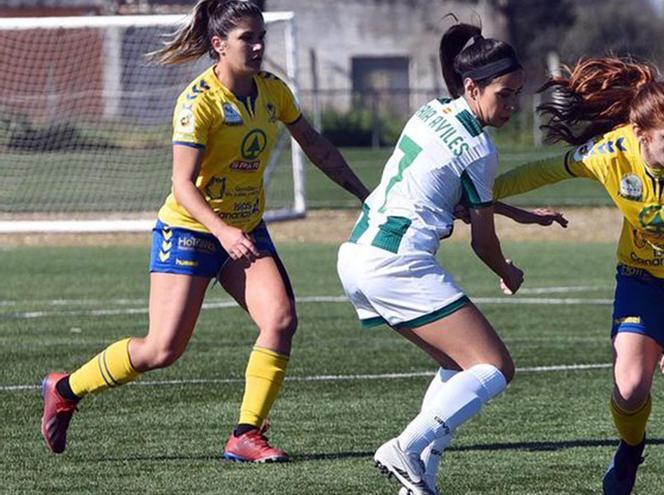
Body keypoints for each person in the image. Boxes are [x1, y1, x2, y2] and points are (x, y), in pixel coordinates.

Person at [40, 0, 369, 463]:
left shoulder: (274, 91)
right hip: (191, 231)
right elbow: (181, 184)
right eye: (246, 39)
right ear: (218, 45)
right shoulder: (199, 102)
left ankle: (245, 434)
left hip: (245, 229)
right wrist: (223, 231)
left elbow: (314, 145)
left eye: (261, 37)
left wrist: (364, 193)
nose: (257, 46)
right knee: (162, 349)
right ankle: (66, 388)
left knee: (279, 320)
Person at [493, 57, 664, 495]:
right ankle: (630, 451)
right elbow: (543, 171)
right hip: (643, 277)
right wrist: (481, 191)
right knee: (631, 388)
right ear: (641, 134)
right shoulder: (610, 153)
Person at [336, 21, 565, 495]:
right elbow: (482, 242)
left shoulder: (431, 111)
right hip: (398, 264)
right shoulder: (479, 148)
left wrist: (522, 215)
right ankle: (405, 446)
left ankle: (420, 479)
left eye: (517, 94)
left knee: (460, 367)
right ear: (471, 86)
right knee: (496, 368)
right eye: (505, 94)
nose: (513, 105)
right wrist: (508, 271)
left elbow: (454, 194)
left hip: (359, 255)